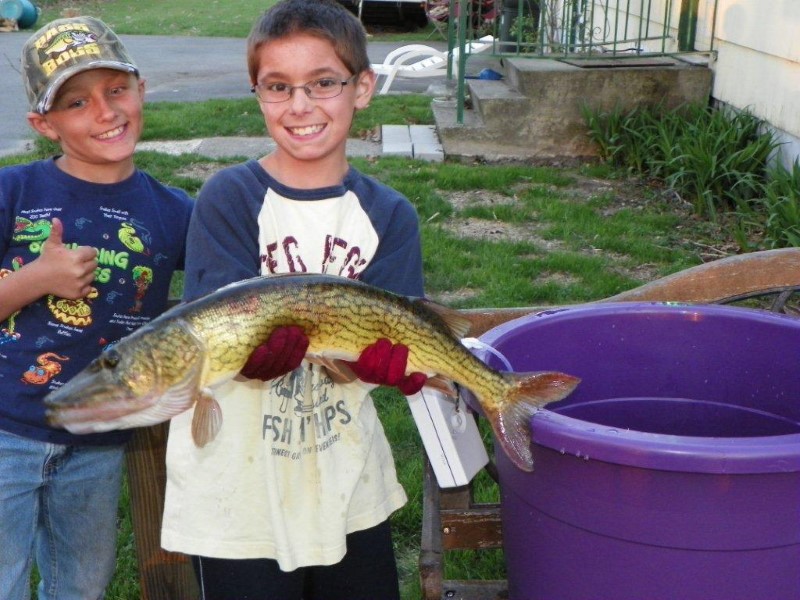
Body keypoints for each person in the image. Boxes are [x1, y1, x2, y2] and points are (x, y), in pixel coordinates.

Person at [160, 1, 427, 598]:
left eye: (323, 83)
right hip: (236, 493)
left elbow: (399, 339)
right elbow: (214, 340)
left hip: (346, 479)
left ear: (363, 88)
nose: (300, 106)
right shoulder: (228, 197)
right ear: (258, 93)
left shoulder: (390, 215)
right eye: (278, 87)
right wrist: (249, 354)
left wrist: (391, 367)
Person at [0, 17, 194, 599]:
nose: (106, 112)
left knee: (82, 586)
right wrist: (36, 279)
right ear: (45, 124)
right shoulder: (14, 192)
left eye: (116, 90)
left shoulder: (174, 211)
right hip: (4, 434)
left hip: (99, 443)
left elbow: (232, 275)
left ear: (141, 90)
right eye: (77, 102)